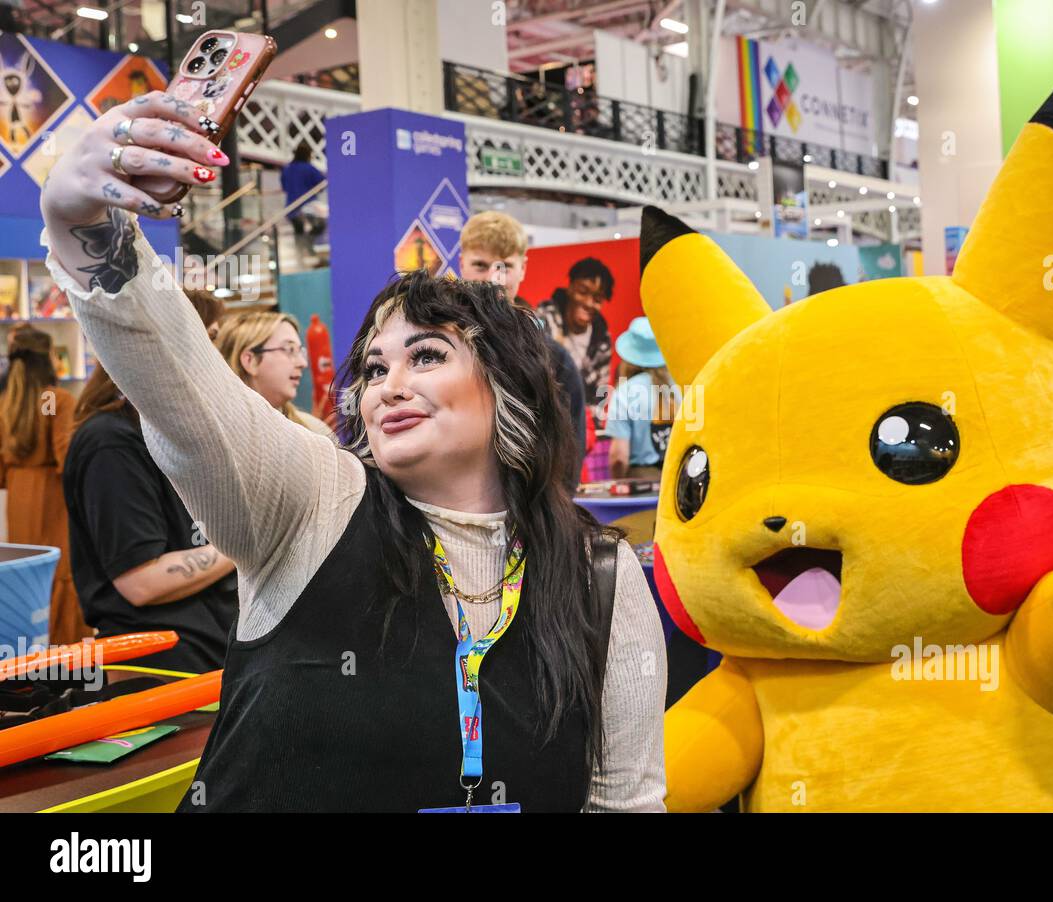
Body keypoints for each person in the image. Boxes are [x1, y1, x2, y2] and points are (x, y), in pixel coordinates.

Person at [39, 91, 666, 812]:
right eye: (372, 368)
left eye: (425, 356)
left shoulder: (601, 577)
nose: (387, 386)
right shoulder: (318, 499)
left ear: (510, 388)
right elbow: (181, 383)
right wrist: (84, 222)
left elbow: (625, 801)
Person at [63, 290, 238, 673]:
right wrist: (243, 543)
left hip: (212, 655)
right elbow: (141, 581)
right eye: (206, 338)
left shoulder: (171, 431)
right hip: (161, 668)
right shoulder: (110, 441)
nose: (216, 356)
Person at [459, 211, 586, 486]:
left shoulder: (554, 360)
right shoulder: (435, 345)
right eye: (480, 265)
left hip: (529, 510)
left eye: (504, 266)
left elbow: (568, 451)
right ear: (462, 264)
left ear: (523, 268)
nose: (494, 278)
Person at [0, 327, 90, 645]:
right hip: (52, 498)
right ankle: (62, 661)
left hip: (18, 497)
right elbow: (67, 457)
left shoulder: (6, 402)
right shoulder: (55, 399)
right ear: (46, 359)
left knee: (26, 573)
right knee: (59, 573)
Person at [214, 310, 334, 439]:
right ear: (250, 360)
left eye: (300, 351)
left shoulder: (315, 430)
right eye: (290, 349)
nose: (303, 363)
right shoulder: (219, 435)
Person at [536, 257, 614, 426]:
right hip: (544, 421)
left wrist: (593, 422)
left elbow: (600, 394)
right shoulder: (544, 320)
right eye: (583, 291)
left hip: (581, 426)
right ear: (570, 288)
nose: (588, 303)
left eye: (598, 299)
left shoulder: (602, 340)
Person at [604, 316, 675, 480]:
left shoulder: (625, 393)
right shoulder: (683, 386)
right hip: (678, 481)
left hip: (643, 483)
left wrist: (619, 484)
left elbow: (619, 458)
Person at [280, 141, 326, 266]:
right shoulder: (309, 168)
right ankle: (308, 245)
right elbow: (322, 184)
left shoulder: (287, 169)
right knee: (320, 225)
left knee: (298, 232)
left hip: (292, 208)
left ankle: (299, 260)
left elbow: (284, 187)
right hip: (308, 206)